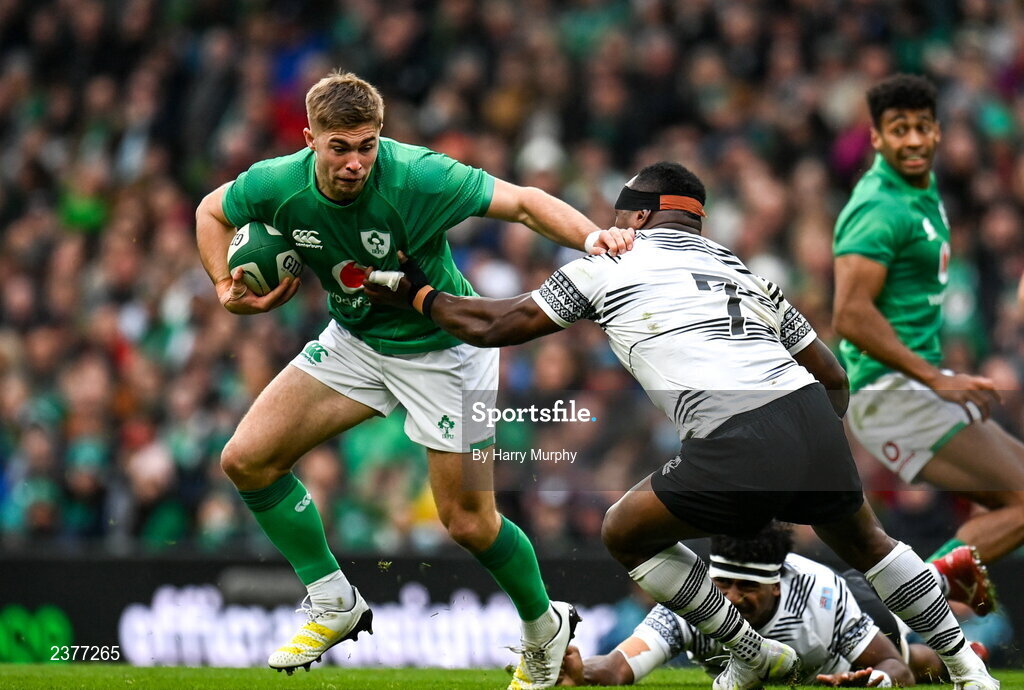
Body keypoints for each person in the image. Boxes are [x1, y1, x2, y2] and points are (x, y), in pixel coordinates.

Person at [365, 161, 998, 689]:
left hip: (738, 431)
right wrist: (804, 451)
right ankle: (971, 672)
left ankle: (750, 651)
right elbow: (833, 375)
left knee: (624, 531)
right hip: (811, 415)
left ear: (638, 218)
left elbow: (494, 326)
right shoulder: (744, 270)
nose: (610, 231)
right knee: (873, 546)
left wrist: (417, 295)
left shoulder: (612, 262)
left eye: (618, 220)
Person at [195, 70, 633, 688]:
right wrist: (223, 286)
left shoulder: (417, 176)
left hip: (449, 353)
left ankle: (545, 626)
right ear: (309, 139)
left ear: (381, 136)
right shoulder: (277, 184)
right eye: (339, 147)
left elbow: (524, 203)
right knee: (246, 460)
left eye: (366, 145)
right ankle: (333, 601)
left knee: (469, 522)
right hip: (356, 341)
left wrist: (591, 236)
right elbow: (210, 211)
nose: (355, 162)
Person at [832, 74, 1024, 600]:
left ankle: (926, 609)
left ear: (937, 131)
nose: (913, 140)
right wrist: (935, 378)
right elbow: (849, 315)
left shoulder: (922, 188)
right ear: (877, 138)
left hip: (912, 384)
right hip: (892, 391)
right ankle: (894, 607)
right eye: (899, 129)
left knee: (1014, 502)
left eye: (922, 127)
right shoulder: (879, 207)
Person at [556, 522, 989, 687]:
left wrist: (878, 681)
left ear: (775, 588)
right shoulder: (687, 603)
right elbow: (617, 666)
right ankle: (943, 582)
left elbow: (896, 671)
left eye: (747, 587)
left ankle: (939, 584)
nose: (730, 598)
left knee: (908, 656)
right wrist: (579, 672)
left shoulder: (819, 598)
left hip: (847, 603)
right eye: (723, 584)